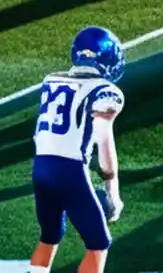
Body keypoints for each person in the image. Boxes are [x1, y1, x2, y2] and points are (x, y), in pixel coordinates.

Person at [29, 26, 126, 273]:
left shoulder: (51, 80)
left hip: (40, 167)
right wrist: (112, 191)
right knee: (98, 243)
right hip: (68, 170)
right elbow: (104, 145)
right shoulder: (106, 92)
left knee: (50, 235)